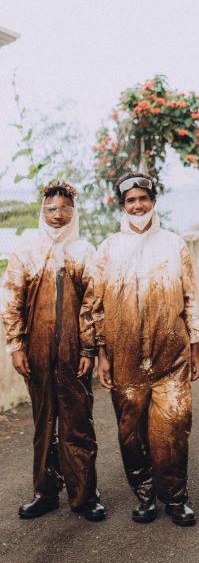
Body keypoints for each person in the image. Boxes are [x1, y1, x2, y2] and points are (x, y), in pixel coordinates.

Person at [93, 173, 199, 525]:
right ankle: (145, 494)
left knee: (172, 428)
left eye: (143, 198)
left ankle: (175, 498)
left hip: (171, 356)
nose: (138, 205)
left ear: (153, 200)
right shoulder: (108, 248)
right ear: (122, 205)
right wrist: (102, 355)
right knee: (130, 432)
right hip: (124, 359)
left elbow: (191, 298)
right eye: (131, 201)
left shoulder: (174, 244)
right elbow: (94, 307)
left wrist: (196, 346)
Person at [1, 181, 104, 521]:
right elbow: (11, 302)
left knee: (78, 425)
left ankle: (85, 495)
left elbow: (93, 304)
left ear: (73, 213)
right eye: (51, 210)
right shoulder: (26, 251)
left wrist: (89, 349)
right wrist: (16, 346)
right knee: (43, 424)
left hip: (75, 355)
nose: (58, 216)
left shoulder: (85, 251)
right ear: (42, 211)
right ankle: (45, 492)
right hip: (38, 354)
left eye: (64, 210)